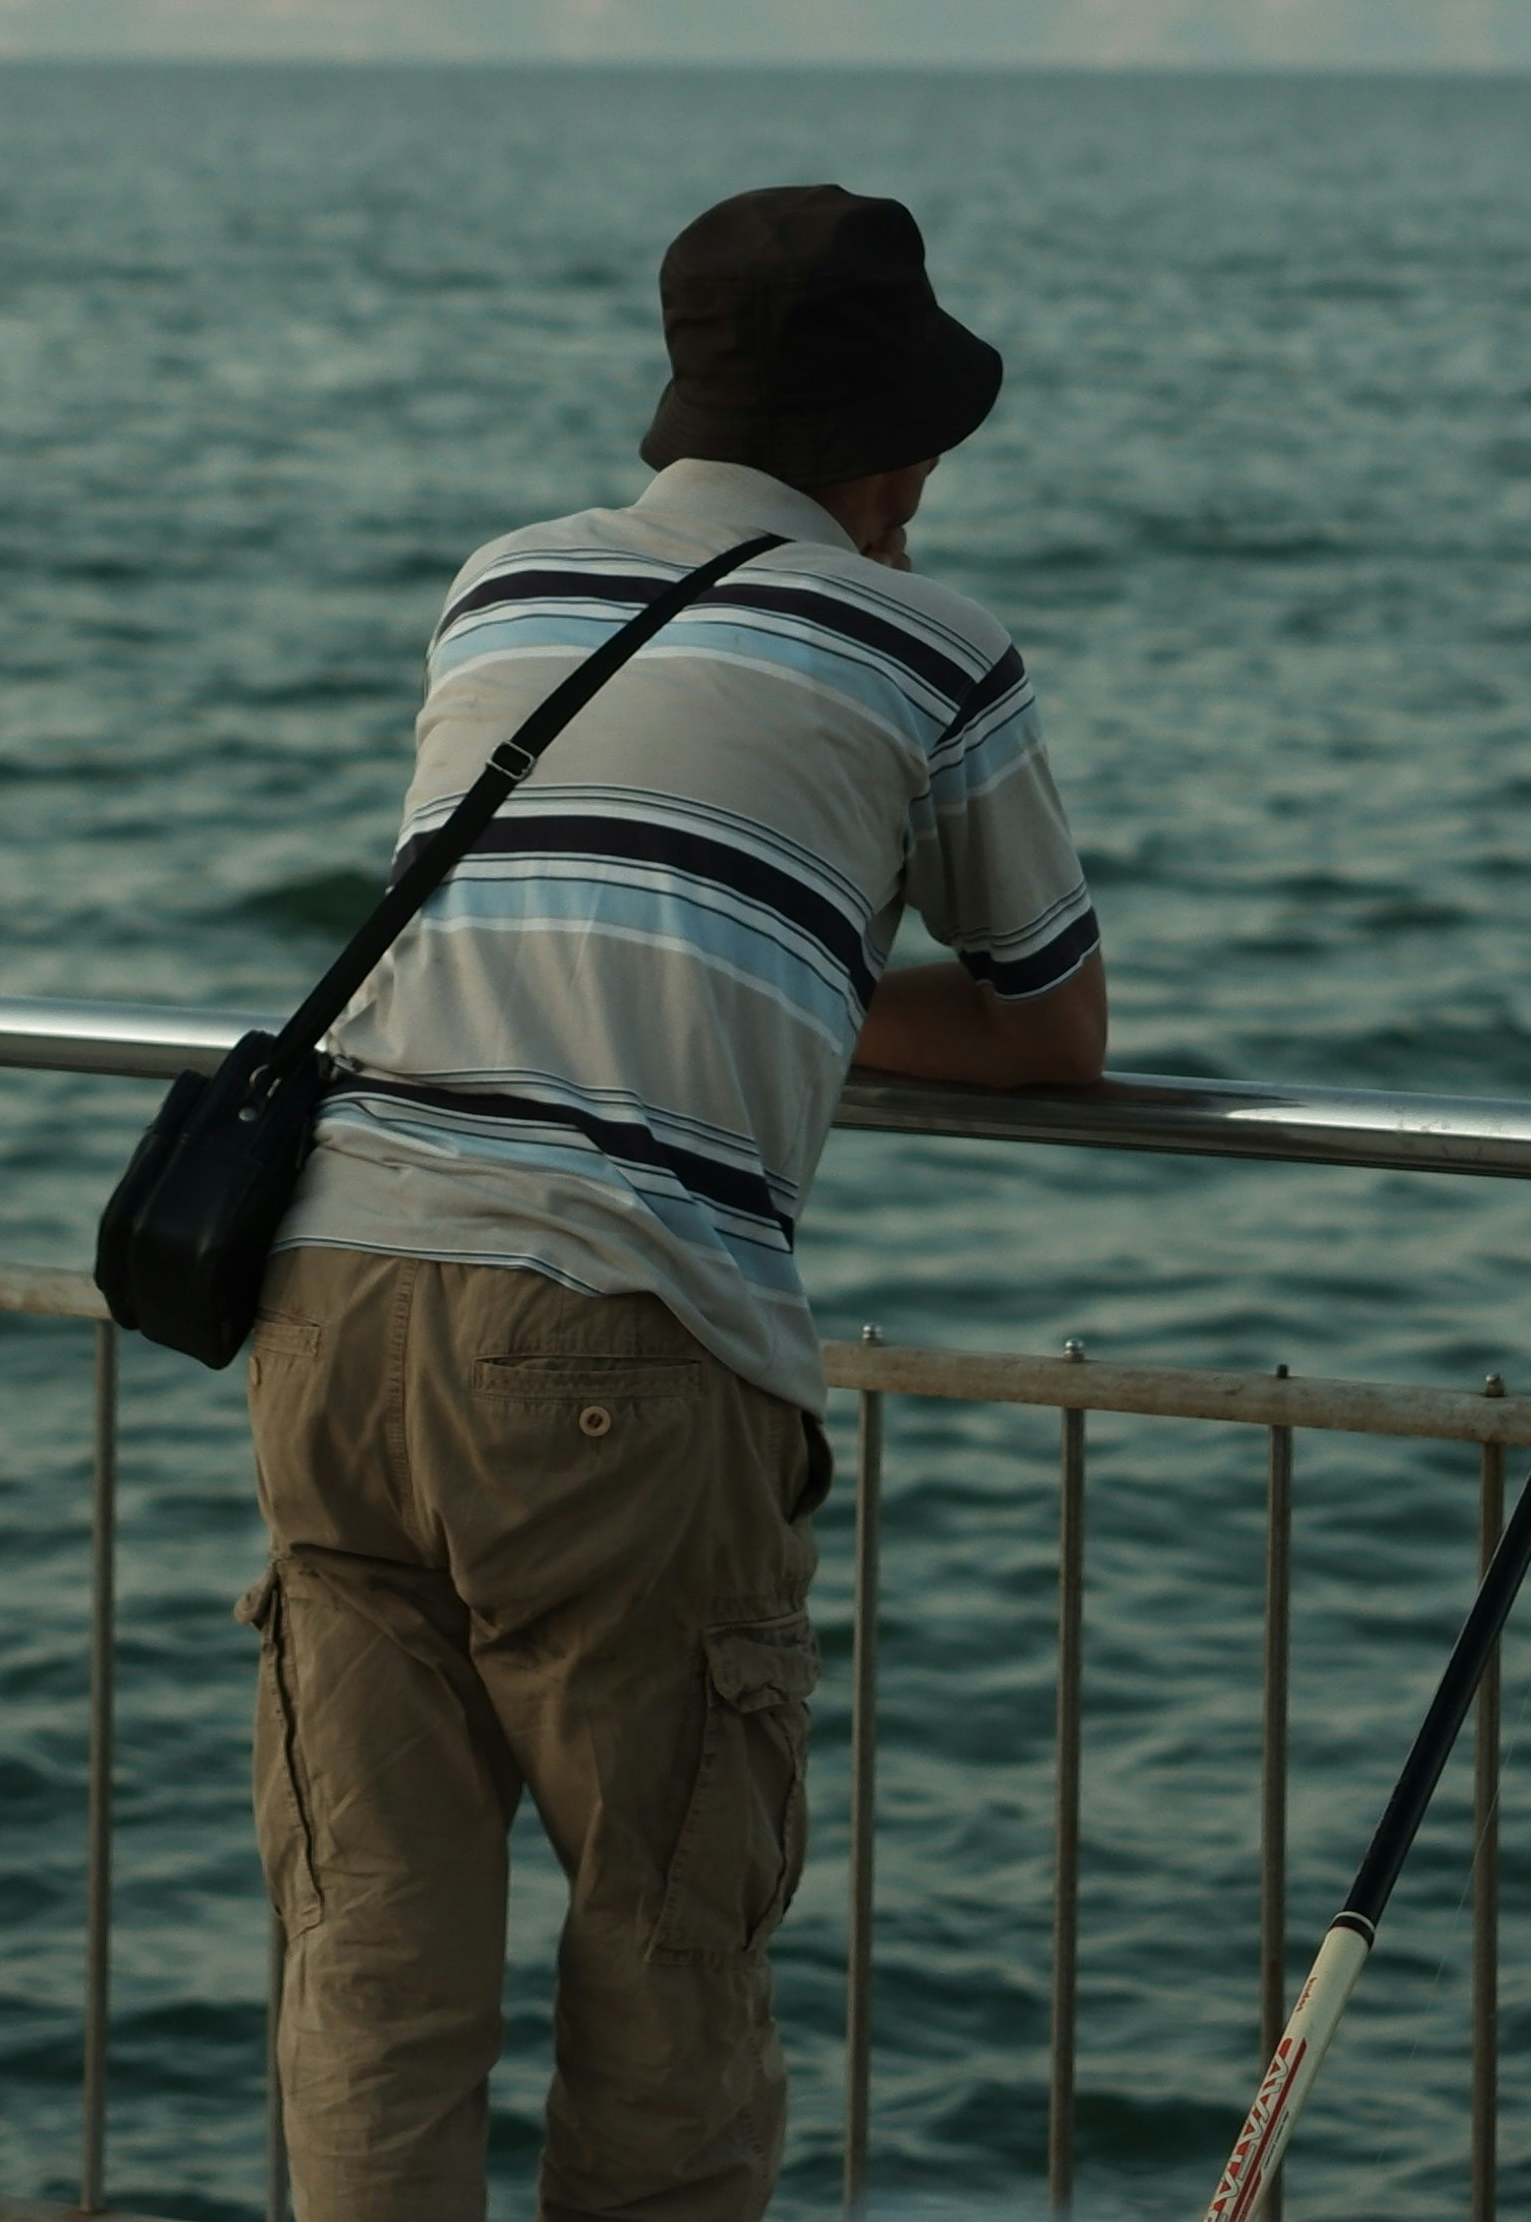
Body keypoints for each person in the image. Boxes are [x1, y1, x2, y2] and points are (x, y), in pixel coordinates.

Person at [244, 182, 1109, 2222]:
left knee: (371, 1970)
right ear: (899, 451)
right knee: (665, 1978)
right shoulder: (935, 646)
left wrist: (739, 956)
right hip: (618, 1338)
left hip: (338, 1284)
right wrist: (792, 981)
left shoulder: (503, 585)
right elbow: (1052, 1030)